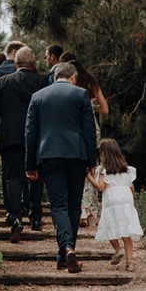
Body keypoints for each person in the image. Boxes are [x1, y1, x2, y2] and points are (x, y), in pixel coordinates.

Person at [24, 61, 98, 273]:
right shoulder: (81, 95)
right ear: (73, 77)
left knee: (58, 205)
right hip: (76, 155)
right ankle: (67, 249)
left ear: (56, 76)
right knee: (74, 205)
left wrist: (30, 164)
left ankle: (64, 252)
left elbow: (30, 133)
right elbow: (89, 130)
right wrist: (92, 161)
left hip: (49, 155)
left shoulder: (38, 97)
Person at [0, 46, 49, 240]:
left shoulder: (2, 82)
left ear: (15, 63)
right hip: (37, 137)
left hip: (10, 136)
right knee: (36, 175)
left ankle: (15, 218)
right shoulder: (42, 81)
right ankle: (35, 217)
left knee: (13, 177)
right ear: (34, 64)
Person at [60, 52, 109, 225]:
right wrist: (92, 107)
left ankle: (76, 206)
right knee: (91, 164)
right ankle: (86, 209)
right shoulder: (92, 84)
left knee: (73, 163)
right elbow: (105, 109)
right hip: (91, 126)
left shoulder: (70, 87)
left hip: (73, 126)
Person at [86, 138, 144, 271]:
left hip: (111, 201)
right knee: (126, 233)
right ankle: (130, 262)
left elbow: (101, 187)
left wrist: (89, 177)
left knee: (109, 228)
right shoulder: (126, 168)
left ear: (103, 154)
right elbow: (132, 188)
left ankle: (118, 251)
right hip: (125, 202)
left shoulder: (103, 169)